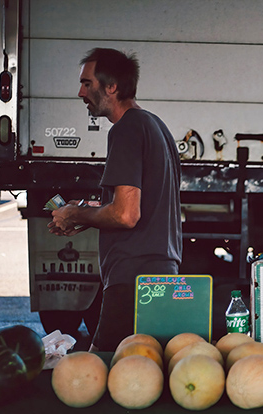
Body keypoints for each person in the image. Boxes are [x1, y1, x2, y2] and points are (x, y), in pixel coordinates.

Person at [48, 48, 183, 351]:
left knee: (100, 371)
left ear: (111, 87)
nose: (80, 92)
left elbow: (125, 215)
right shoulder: (155, 126)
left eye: (87, 83)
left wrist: (75, 216)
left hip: (132, 279)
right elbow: (137, 206)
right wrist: (86, 214)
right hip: (160, 273)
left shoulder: (126, 130)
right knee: (145, 372)